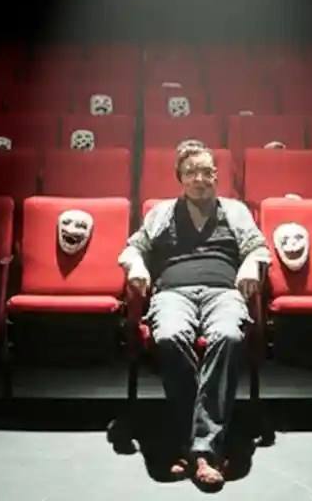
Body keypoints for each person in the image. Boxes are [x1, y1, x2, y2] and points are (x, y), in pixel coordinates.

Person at [117, 141, 269, 488]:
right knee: (170, 337)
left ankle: (197, 449)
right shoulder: (161, 213)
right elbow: (132, 248)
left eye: (206, 172)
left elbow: (258, 247)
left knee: (229, 337)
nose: (200, 178)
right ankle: (207, 442)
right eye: (191, 172)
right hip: (173, 293)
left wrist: (249, 266)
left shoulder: (234, 210)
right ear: (180, 178)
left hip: (224, 292)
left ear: (216, 175)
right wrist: (137, 266)